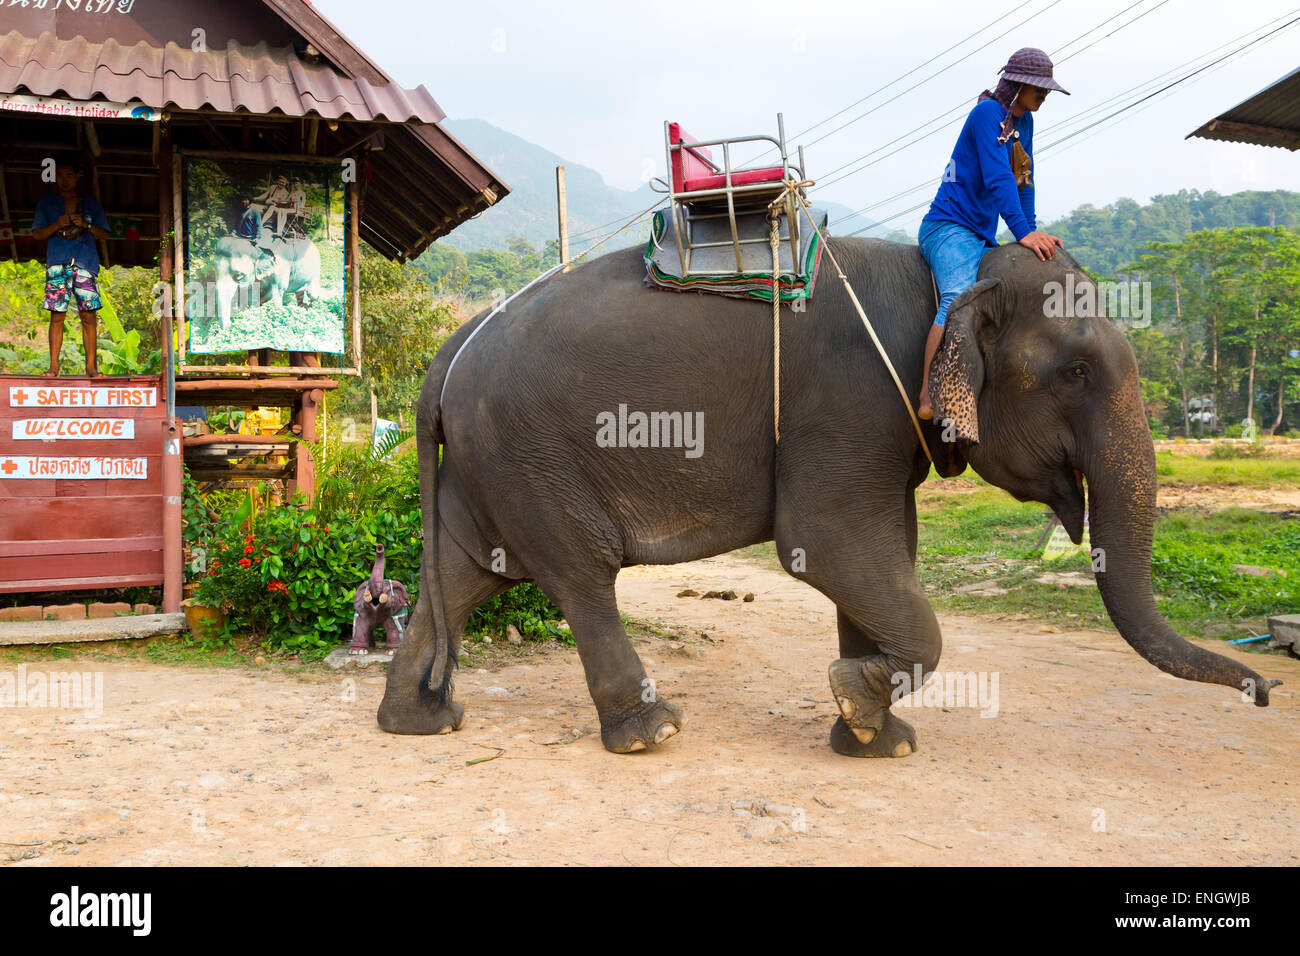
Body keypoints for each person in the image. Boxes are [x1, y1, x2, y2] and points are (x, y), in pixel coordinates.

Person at [917, 47, 1068, 419]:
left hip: (982, 235)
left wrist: (1029, 232)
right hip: (949, 227)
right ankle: (928, 393)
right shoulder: (986, 115)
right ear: (1017, 85)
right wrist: (1020, 231)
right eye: (1038, 88)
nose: (1044, 95)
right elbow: (998, 176)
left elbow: (1023, 178)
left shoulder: (1025, 122)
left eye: (1047, 89)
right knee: (957, 296)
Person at [30, 160, 111, 377]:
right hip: (57, 262)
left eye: (69, 175)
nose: (64, 180)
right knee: (57, 315)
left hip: (85, 262)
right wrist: (56, 225)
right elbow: (37, 234)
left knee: (88, 315)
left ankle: (91, 369)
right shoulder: (47, 203)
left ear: (78, 176)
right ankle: (54, 368)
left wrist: (86, 226)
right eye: (60, 176)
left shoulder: (90, 203)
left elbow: (105, 233)